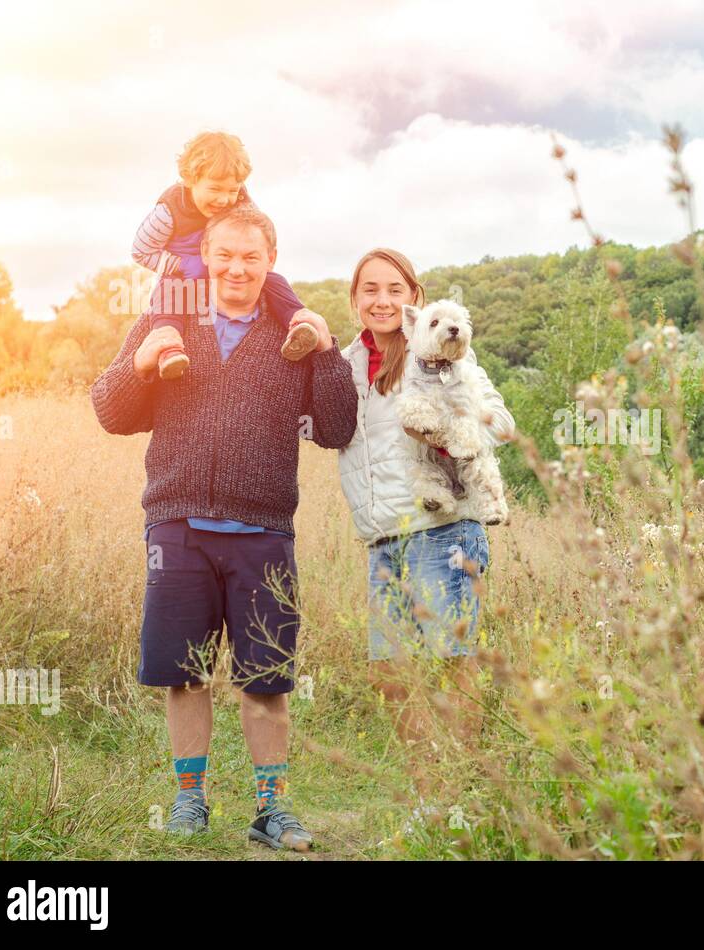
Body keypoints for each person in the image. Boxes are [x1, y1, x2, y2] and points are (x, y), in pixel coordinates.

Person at [91, 203, 358, 850]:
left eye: (252, 257)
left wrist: (325, 353)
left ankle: (271, 809)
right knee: (184, 672)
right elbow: (110, 412)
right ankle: (190, 801)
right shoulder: (168, 322)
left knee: (266, 681)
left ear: (270, 263)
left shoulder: (290, 333)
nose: (238, 268)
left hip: (264, 531)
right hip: (178, 527)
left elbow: (336, 428)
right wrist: (141, 366)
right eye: (226, 255)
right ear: (205, 257)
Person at [336, 248, 513, 771]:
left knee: (452, 663)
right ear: (355, 299)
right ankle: (428, 791)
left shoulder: (446, 356)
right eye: (370, 289)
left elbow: (500, 424)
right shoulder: (346, 364)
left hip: (444, 529)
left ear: (414, 298)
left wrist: (448, 438)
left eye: (395, 289)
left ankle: (464, 793)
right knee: (389, 674)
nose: (382, 300)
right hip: (383, 537)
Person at [131, 130, 321, 378]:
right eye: (215, 189)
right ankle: (169, 349)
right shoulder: (167, 212)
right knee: (169, 296)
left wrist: (253, 260)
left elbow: (255, 232)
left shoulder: (240, 200)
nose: (224, 199)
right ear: (190, 180)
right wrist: (180, 264)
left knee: (272, 280)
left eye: (232, 190)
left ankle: (298, 324)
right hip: (183, 273)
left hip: (226, 266)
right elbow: (141, 252)